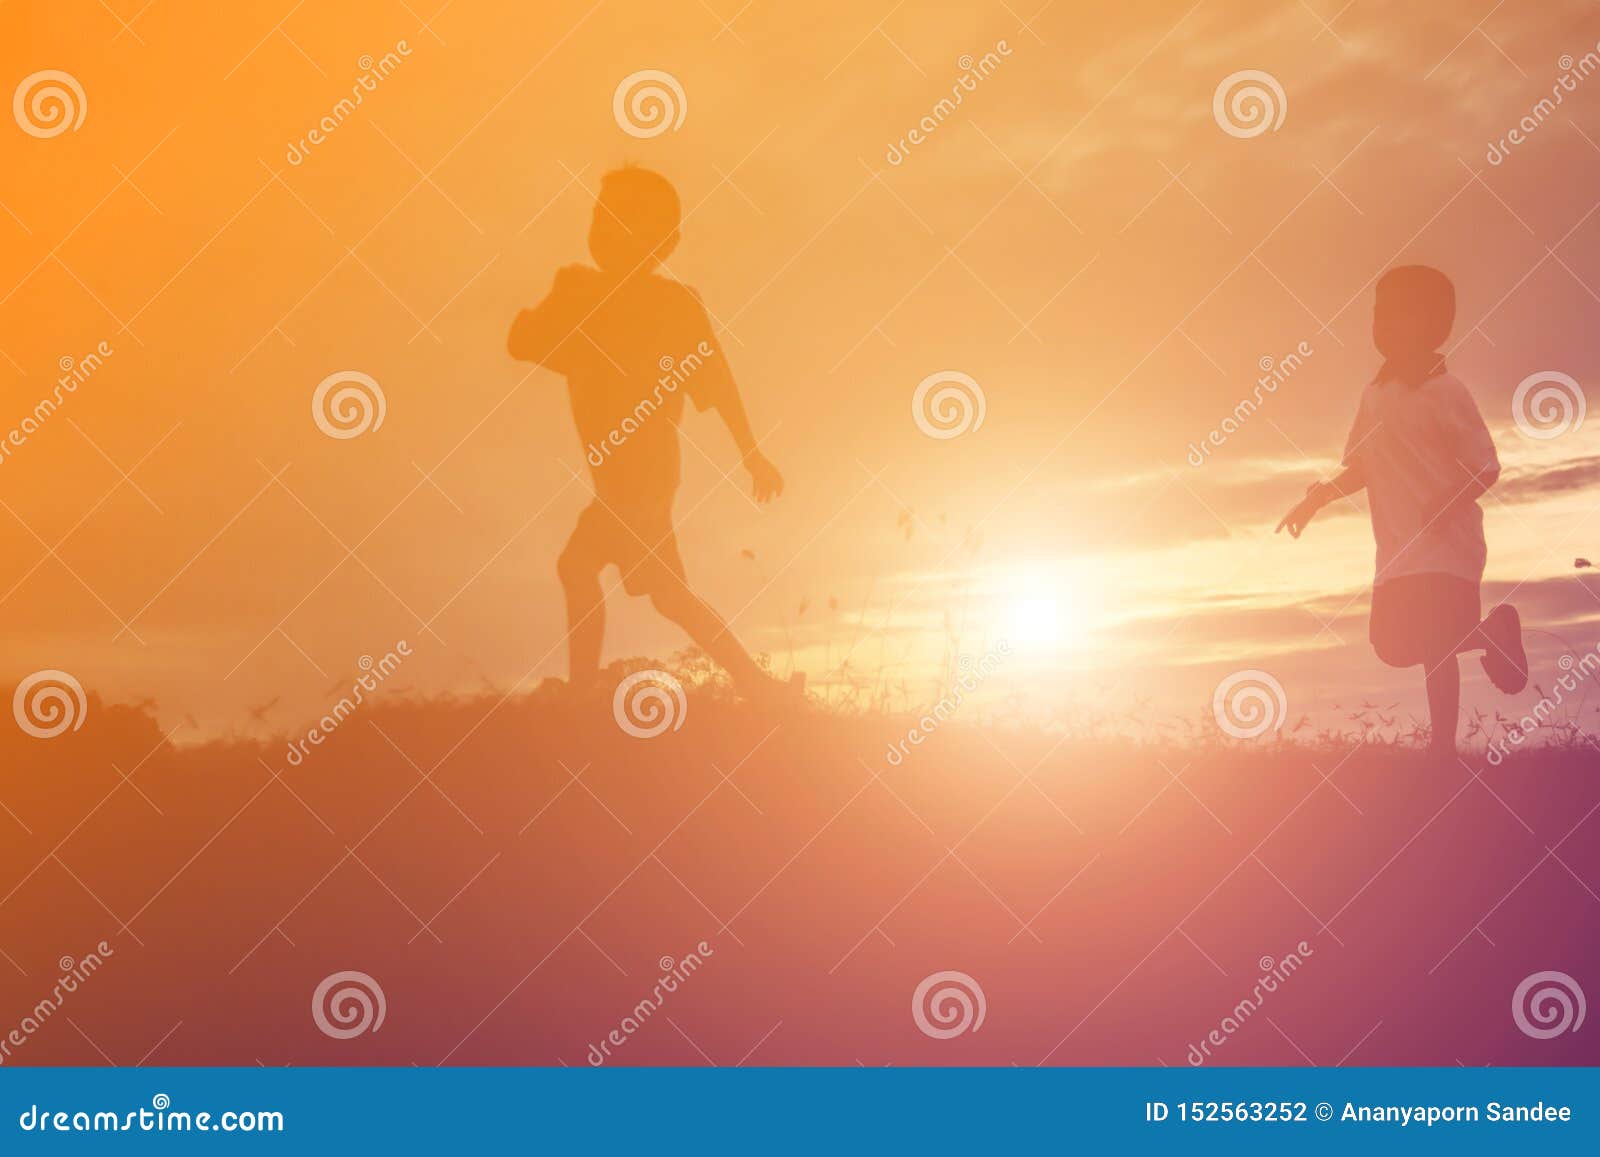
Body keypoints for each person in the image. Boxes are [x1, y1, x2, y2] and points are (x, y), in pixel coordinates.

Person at [508, 166, 790, 701]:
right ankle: (758, 685)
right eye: (602, 215)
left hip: (646, 472)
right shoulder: (578, 292)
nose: (609, 229)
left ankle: (583, 692)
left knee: (578, 566)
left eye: (627, 220)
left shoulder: (674, 306)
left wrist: (752, 454)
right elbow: (534, 344)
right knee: (667, 595)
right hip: (617, 475)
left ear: (666, 242)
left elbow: (719, 383)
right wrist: (533, 323)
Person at [1276, 265, 1526, 758]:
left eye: (1395, 314)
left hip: (1447, 547)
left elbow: (1486, 467)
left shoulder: (1447, 393)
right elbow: (1362, 469)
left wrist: (1445, 503)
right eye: (1378, 315)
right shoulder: (1374, 396)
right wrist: (1317, 498)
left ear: (1433, 323)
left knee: (1435, 648)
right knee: (1391, 646)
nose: (1382, 325)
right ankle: (1491, 634)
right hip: (1395, 550)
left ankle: (1442, 752)